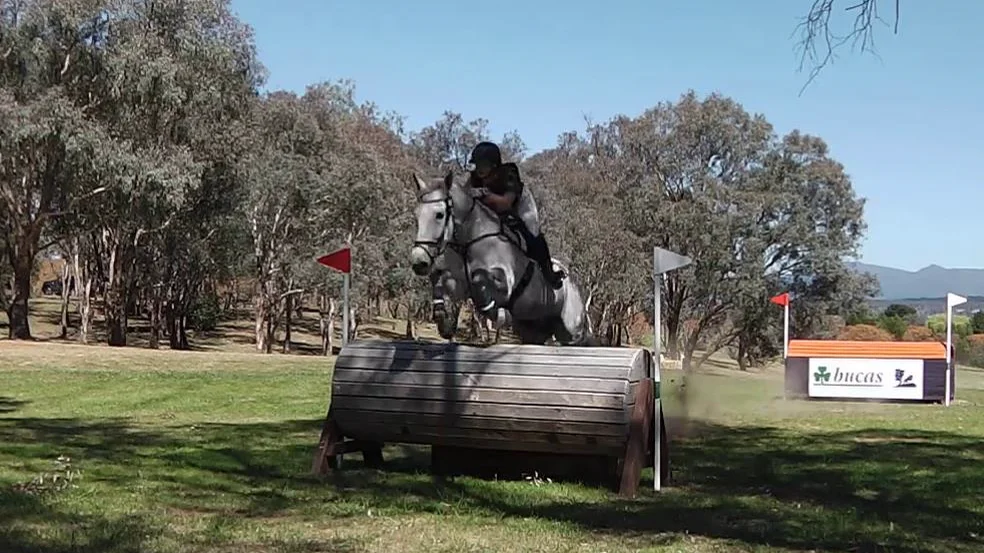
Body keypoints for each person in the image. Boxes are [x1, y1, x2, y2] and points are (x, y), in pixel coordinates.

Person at [466, 141, 566, 289]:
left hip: (519, 206)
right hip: (490, 209)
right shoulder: (474, 177)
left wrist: (481, 194)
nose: (480, 169)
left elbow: (505, 203)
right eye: (478, 165)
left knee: (532, 234)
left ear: (494, 165)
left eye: (484, 165)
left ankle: (549, 272)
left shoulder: (509, 172)